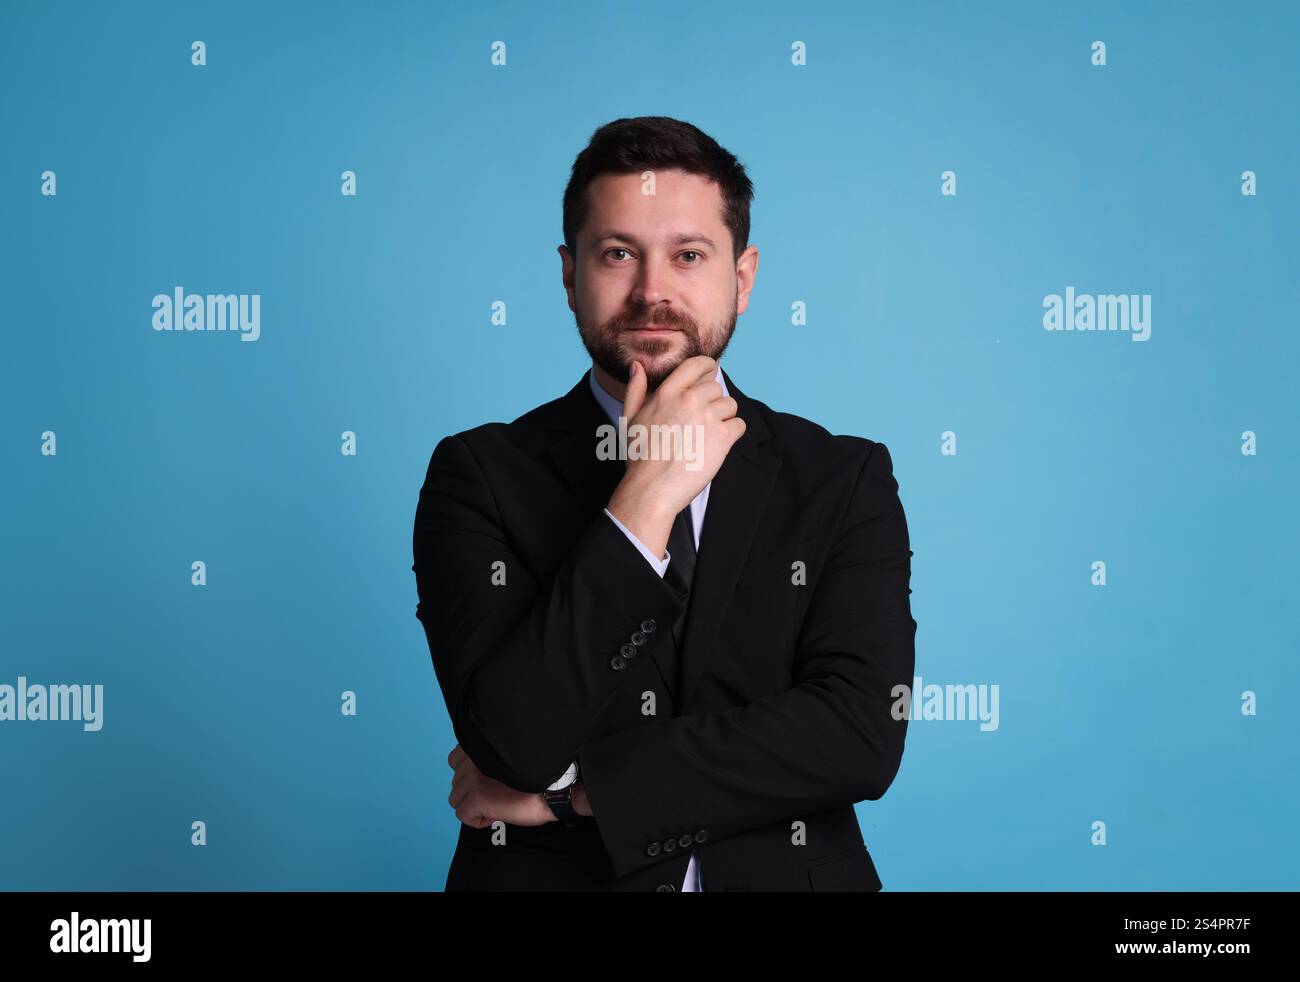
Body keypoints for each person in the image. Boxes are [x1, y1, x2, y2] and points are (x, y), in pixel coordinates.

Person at [412, 116, 916, 891]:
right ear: (570, 274)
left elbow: (858, 735)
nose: (653, 291)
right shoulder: (478, 474)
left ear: (742, 278)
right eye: (618, 254)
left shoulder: (843, 479)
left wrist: (570, 799)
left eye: (688, 255)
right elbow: (512, 741)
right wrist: (643, 498)